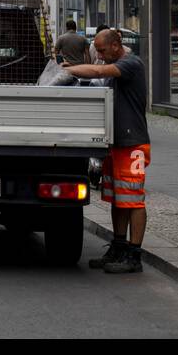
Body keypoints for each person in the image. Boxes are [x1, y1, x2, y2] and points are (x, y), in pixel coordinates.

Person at [63, 27, 151, 274]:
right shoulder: (116, 65)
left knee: (133, 200)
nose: (99, 55)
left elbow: (99, 70)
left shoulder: (131, 64)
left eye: (101, 50)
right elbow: (96, 78)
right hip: (117, 143)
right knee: (117, 199)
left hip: (132, 143)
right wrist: (77, 69)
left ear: (115, 45)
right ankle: (119, 246)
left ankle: (134, 256)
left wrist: (70, 69)